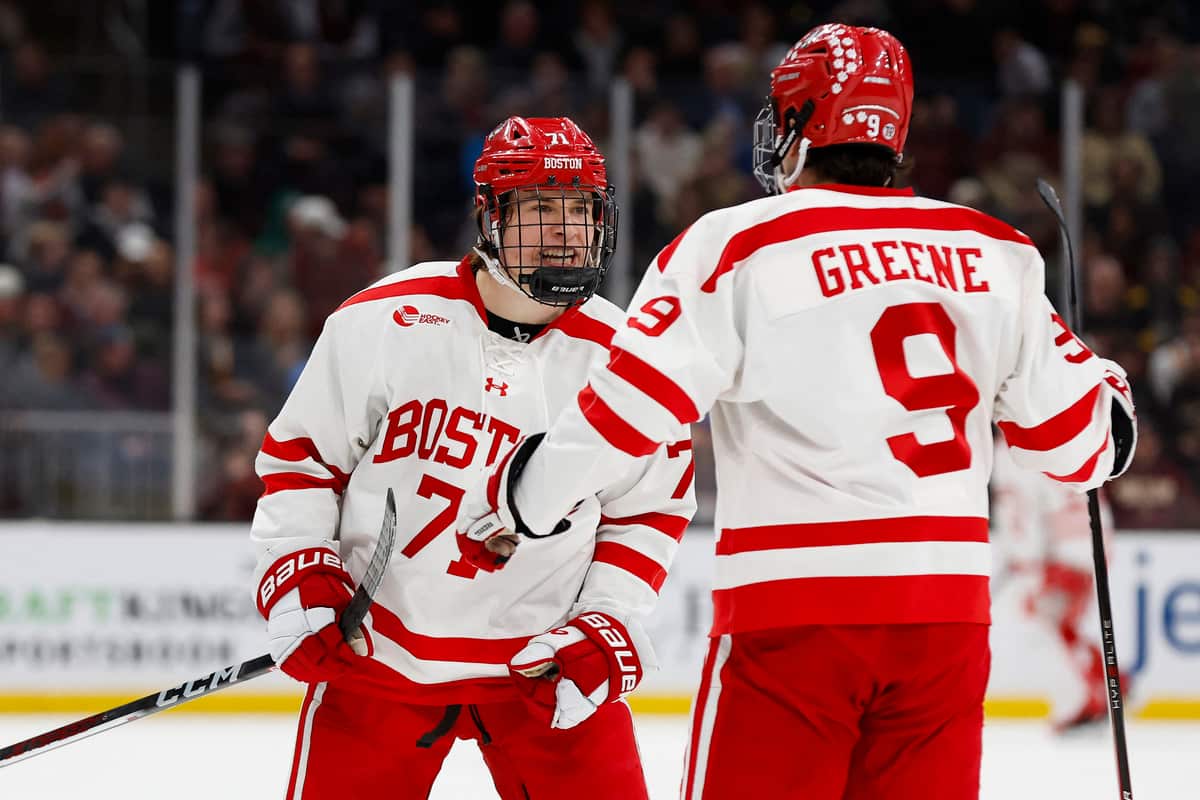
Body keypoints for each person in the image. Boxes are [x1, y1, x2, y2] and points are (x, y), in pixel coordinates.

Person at [455, 24, 1137, 800]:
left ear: (798, 124)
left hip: (794, 615)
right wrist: (1106, 383)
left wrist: (525, 497)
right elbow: (1085, 447)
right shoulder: (995, 250)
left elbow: (627, 413)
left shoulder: (736, 244)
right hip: (945, 622)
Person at [250, 116, 695, 800]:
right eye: (541, 207)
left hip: (544, 671)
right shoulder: (385, 320)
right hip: (379, 659)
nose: (566, 230)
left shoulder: (627, 355)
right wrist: (299, 568)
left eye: (581, 209)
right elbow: (303, 460)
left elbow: (648, 510)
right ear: (490, 216)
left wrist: (608, 617)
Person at [990, 435, 1118, 732]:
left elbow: (1020, 505)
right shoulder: (1060, 428)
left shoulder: (1010, 446)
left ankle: (1094, 695)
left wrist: (1025, 558)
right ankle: (1106, 684)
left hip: (1062, 553)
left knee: (1052, 624)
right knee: (1061, 626)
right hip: (1091, 541)